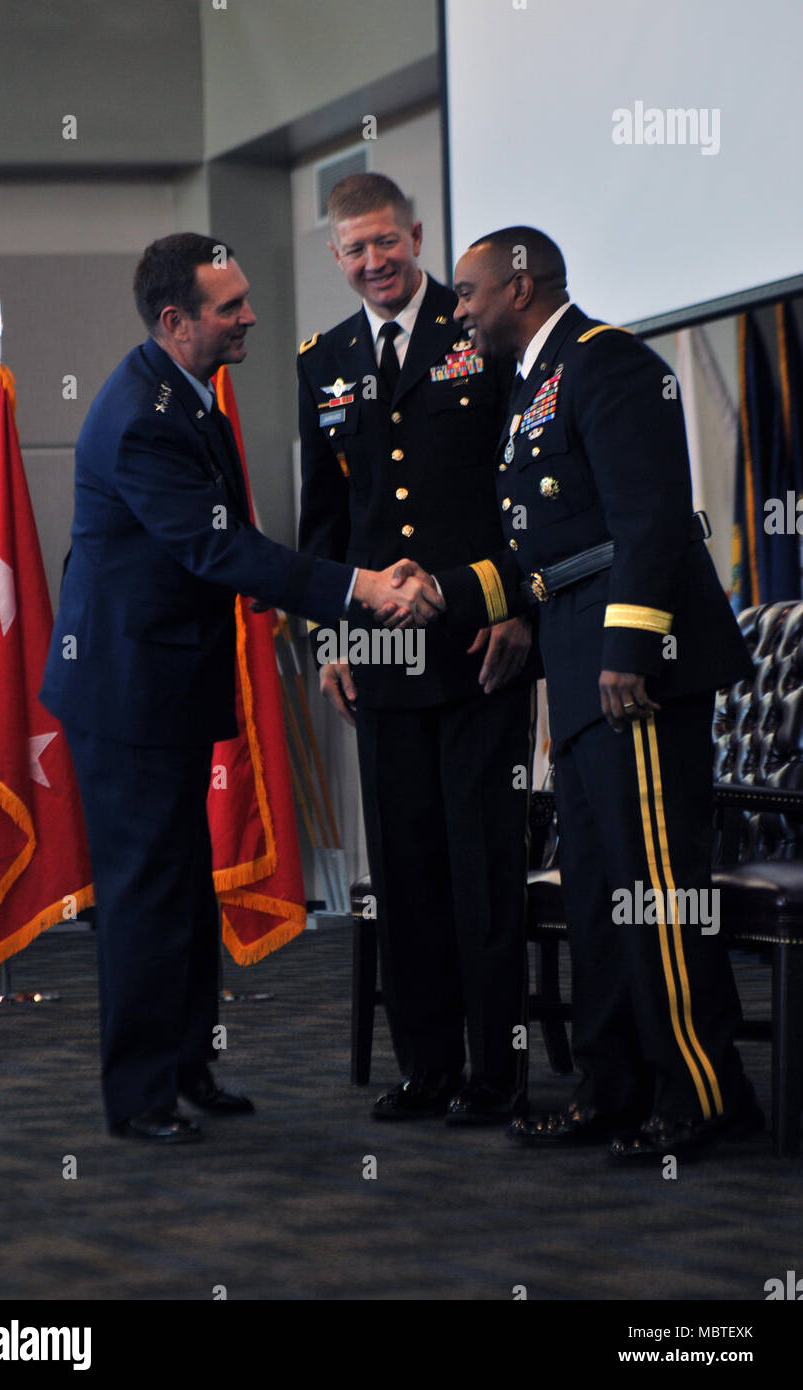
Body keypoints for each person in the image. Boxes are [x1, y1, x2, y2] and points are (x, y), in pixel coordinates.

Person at [40, 232, 442, 1145]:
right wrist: (361, 587)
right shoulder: (144, 415)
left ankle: (185, 1068)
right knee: (147, 892)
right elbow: (220, 549)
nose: (250, 316)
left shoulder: (184, 392)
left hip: (162, 682)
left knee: (180, 889)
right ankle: (140, 1096)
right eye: (231, 307)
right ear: (176, 321)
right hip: (127, 692)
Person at [403, 225, 764, 1162]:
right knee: (604, 891)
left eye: (471, 295)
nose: (460, 312)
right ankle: (614, 1088)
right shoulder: (533, 381)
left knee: (654, 887)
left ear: (519, 286)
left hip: (631, 661)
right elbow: (541, 554)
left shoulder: (609, 363)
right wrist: (442, 592)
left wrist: (630, 646)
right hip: (574, 648)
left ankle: (704, 1096)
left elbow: (648, 516)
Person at [297, 175, 536, 1126]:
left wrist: (518, 606)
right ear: (335, 256)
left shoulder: (478, 328)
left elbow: (526, 484)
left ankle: (495, 1073)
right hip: (376, 651)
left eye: (385, 243)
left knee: (481, 866)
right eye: (353, 250)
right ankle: (427, 1066)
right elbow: (327, 523)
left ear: (416, 235)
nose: (372, 263)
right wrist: (330, 636)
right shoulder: (326, 359)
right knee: (404, 867)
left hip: (480, 641)